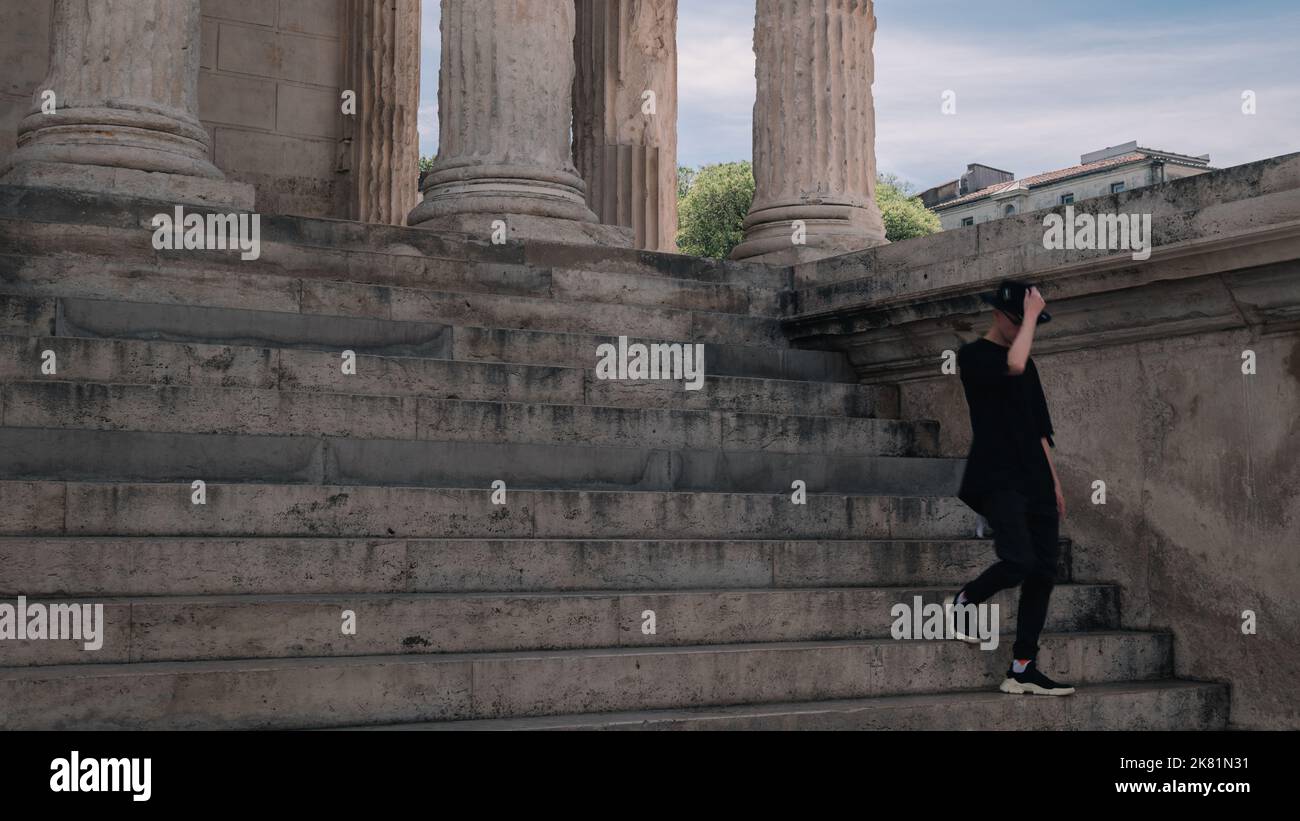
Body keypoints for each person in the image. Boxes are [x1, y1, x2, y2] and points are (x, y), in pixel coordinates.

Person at [945, 280, 1075, 696]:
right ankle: (963, 601)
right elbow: (1013, 364)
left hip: (1035, 477)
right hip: (997, 476)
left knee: (1043, 571)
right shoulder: (973, 356)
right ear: (998, 315)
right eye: (1017, 321)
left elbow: (1040, 431)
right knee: (1018, 560)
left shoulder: (1028, 364)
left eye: (1028, 323)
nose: (1024, 329)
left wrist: (1055, 482)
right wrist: (1033, 315)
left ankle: (1022, 668)